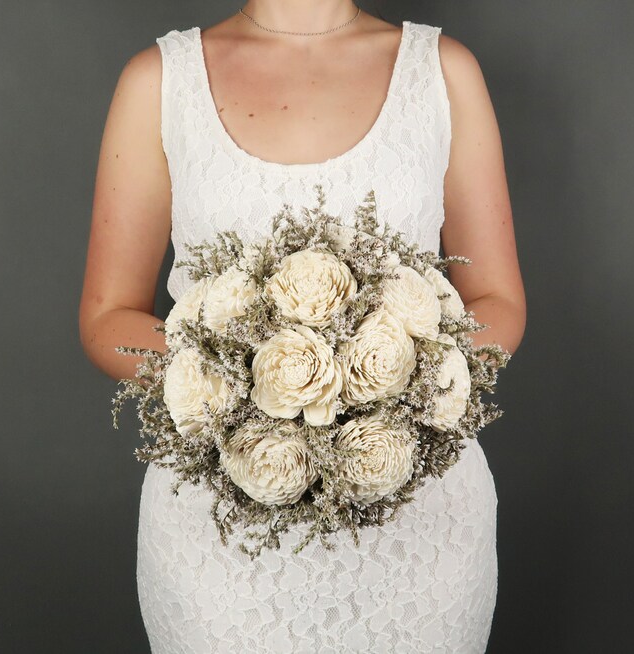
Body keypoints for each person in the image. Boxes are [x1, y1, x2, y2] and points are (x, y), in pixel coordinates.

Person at [79, 1, 526, 651]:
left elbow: (497, 297)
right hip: (222, 530)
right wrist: (244, 383)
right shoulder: (159, 80)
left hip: (417, 519)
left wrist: (393, 384)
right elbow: (105, 315)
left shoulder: (443, 71)